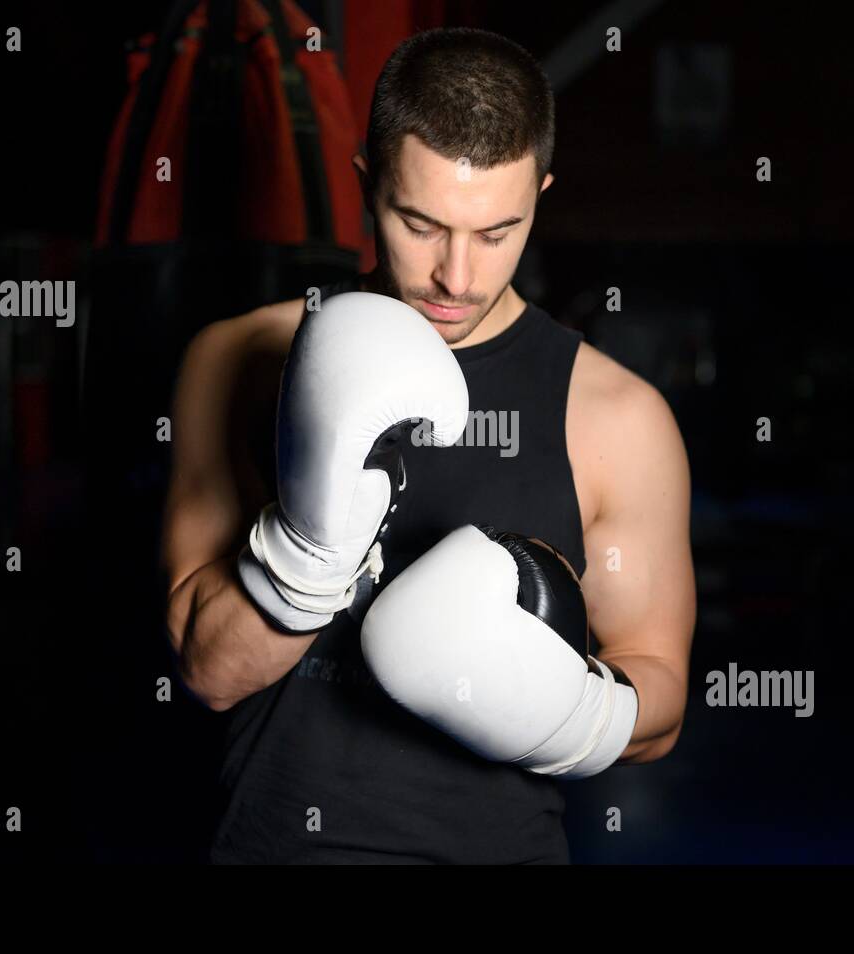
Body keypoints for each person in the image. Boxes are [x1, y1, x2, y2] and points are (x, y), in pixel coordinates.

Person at [162, 26, 695, 863]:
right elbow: (206, 670)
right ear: (367, 186)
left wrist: (570, 709)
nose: (457, 276)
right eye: (420, 223)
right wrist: (312, 550)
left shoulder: (617, 418)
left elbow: (659, 696)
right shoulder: (237, 361)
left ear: (540, 195)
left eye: (495, 233)